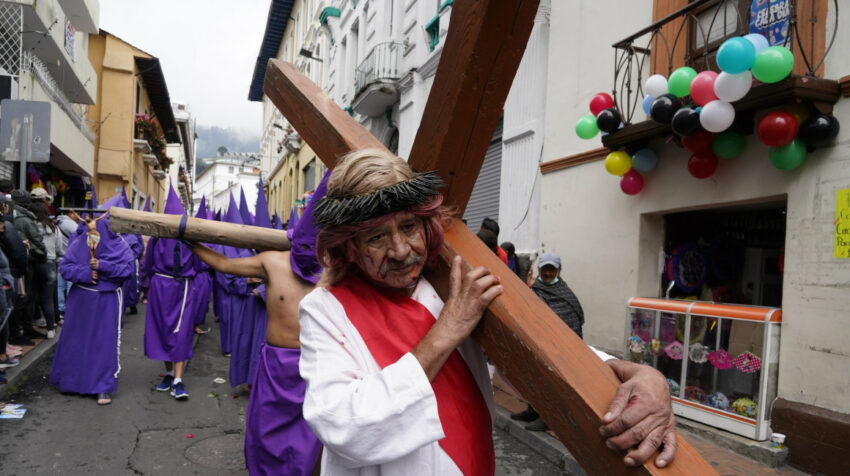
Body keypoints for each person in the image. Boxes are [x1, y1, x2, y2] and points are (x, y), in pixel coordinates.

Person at [298, 149, 678, 472]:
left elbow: (544, 351)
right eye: (376, 236)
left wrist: (642, 375)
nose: (400, 250)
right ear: (348, 246)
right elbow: (345, 427)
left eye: (409, 226)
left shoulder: (453, 282)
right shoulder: (325, 309)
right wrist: (447, 330)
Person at [186, 172, 329, 476]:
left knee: (312, 440)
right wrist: (186, 237)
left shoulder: (338, 271)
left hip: (318, 368)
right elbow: (224, 264)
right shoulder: (272, 261)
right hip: (276, 366)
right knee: (265, 436)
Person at [50, 210, 133, 405]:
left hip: (106, 300)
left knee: (102, 344)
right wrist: (87, 273)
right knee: (75, 341)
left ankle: (101, 387)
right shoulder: (79, 242)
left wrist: (102, 265)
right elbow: (66, 269)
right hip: (81, 300)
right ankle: (72, 382)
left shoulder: (120, 245)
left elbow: (128, 270)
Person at [143, 182, 203, 400]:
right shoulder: (159, 239)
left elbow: (147, 266)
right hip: (165, 287)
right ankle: (169, 374)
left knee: (181, 331)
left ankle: (178, 379)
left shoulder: (188, 240)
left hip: (180, 289)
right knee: (162, 330)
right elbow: (198, 267)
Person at [513, 252, 585, 432]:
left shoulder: (565, 294)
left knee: (551, 382)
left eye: (552, 269)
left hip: (560, 349)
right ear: (539, 269)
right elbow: (527, 312)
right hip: (537, 342)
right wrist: (527, 290)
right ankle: (533, 410)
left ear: (559, 271)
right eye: (545, 269)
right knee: (532, 378)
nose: (548, 273)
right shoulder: (534, 287)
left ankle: (548, 418)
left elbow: (570, 321)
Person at [9, 190, 46, 342]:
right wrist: (41, 252)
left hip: (19, 260)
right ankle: (19, 333)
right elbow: (36, 239)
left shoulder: (12, 216)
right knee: (25, 297)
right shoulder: (24, 218)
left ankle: (21, 330)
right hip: (27, 260)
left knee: (22, 297)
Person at [29, 200, 63, 338]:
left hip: (34, 263)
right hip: (50, 264)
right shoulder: (54, 227)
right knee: (48, 299)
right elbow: (59, 248)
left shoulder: (32, 227)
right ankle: (50, 330)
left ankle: (29, 327)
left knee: (32, 297)